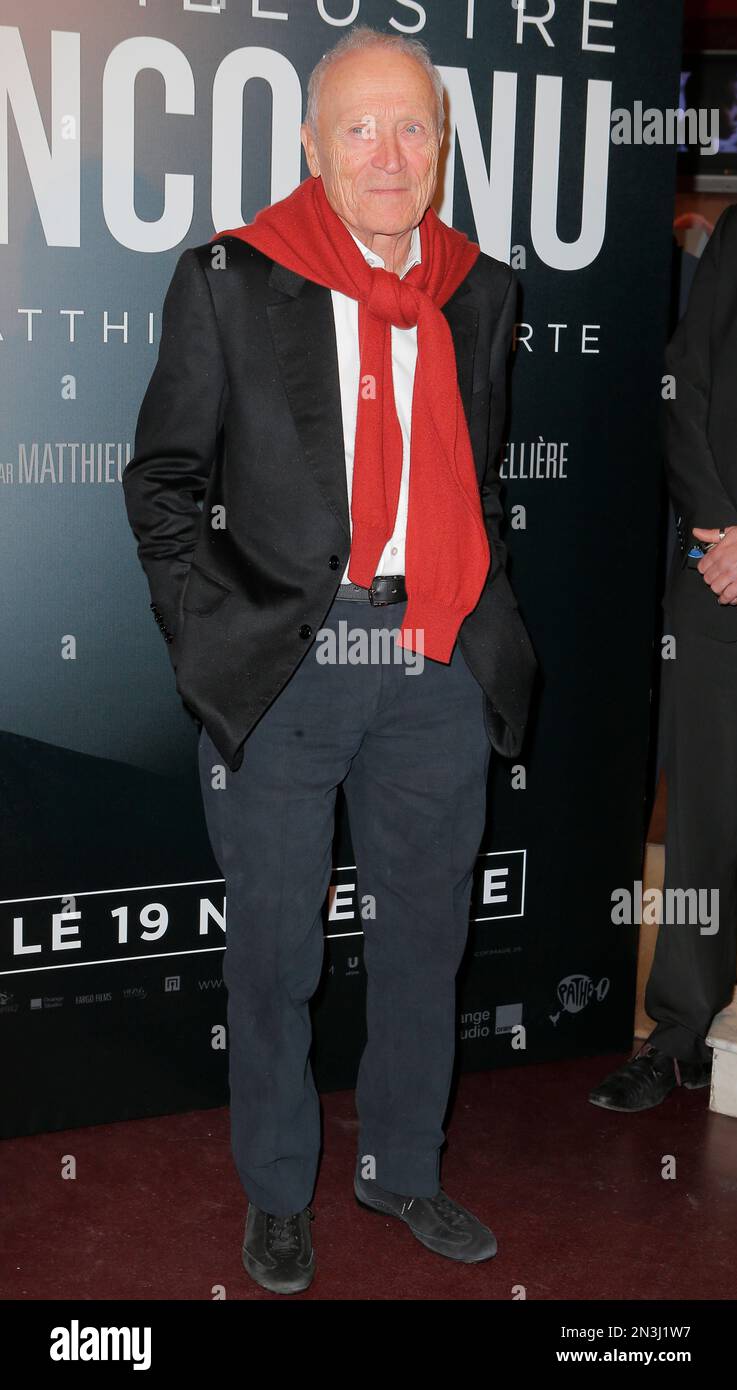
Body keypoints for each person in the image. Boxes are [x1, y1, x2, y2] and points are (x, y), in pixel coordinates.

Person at [123, 25, 536, 1293]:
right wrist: (217, 634)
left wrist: (460, 631)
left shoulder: (482, 289)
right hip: (289, 668)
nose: (388, 153)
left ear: (443, 147)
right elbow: (166, 483)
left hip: (435, 661)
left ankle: (404, 1168)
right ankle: (277, 1188)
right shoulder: (234, 277)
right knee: (274, 951)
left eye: (413, 127)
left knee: (425, 940)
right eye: (359, 127)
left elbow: (471, 473)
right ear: (313, 144)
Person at [589, 203, 737, 1113]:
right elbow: (681, 384)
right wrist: (720, 532)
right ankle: (678, 1033)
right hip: (718, 573)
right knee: (702, 820)